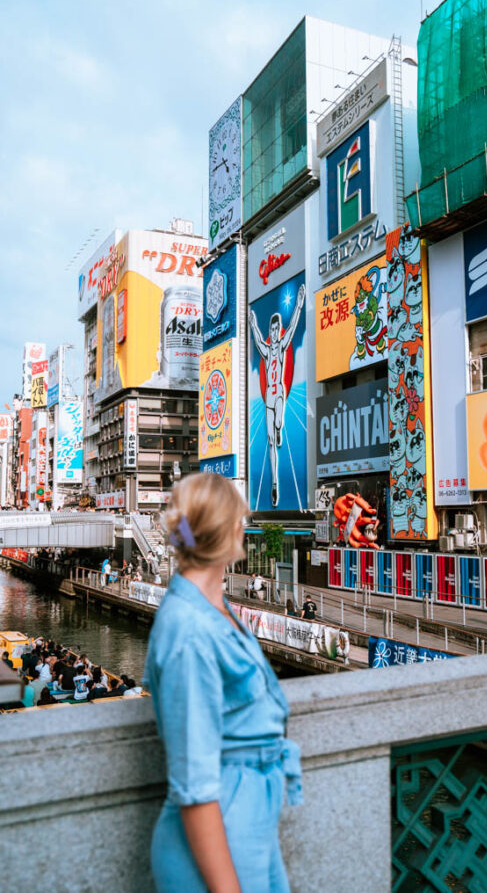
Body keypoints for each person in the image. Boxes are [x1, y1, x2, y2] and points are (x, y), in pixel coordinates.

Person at [144, 472, 302, 893]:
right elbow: (195, 786)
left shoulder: (214, 608)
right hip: (218, 837)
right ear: (234, 530)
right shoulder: (189, 629)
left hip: (249, 828)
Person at [249, 283, 305, 507]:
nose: (274, 333)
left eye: (276, 329)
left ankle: (280, 428)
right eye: (271, 330)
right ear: (269, 331)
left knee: (278, 424)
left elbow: (292, 328)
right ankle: (274, 484)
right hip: (268, 399)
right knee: (271, 441)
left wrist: (299, 304)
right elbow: (256, 338)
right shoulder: (264, 350)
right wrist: (253, 323)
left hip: (279, 393)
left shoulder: (281, 346)